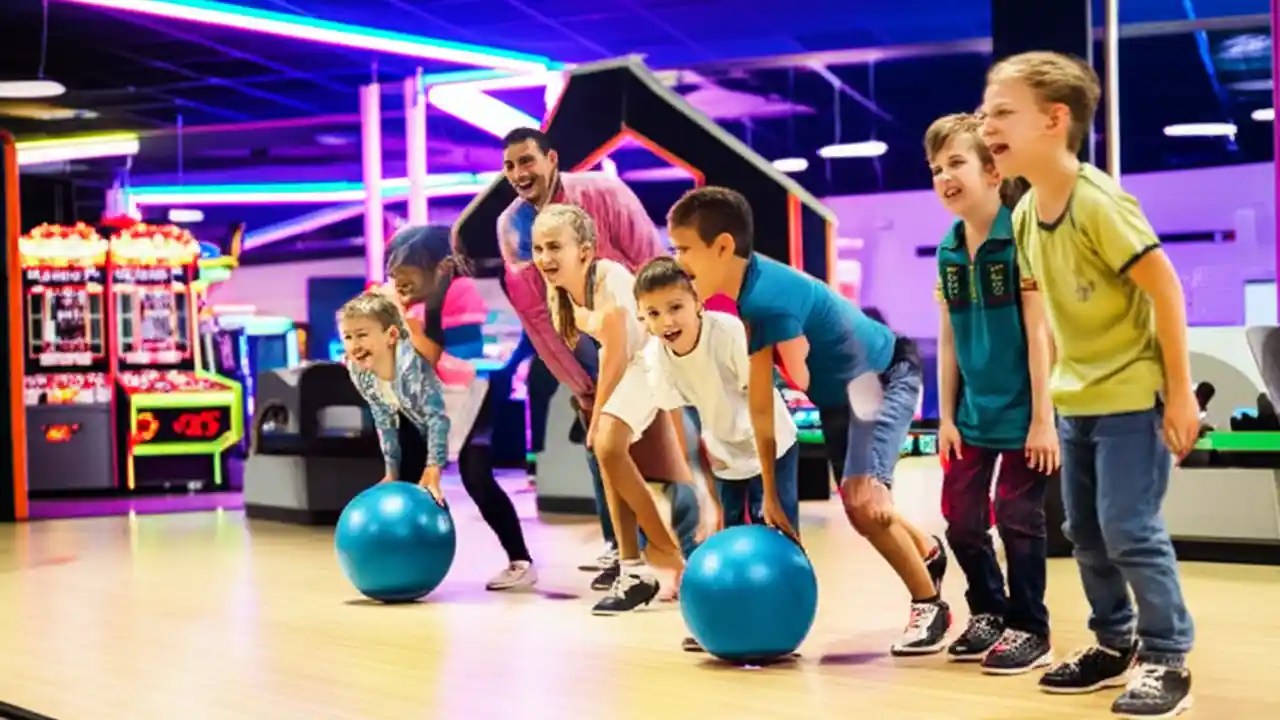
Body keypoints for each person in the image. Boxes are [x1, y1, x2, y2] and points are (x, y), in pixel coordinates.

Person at [980, 52, 1197, 717]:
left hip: (1133, 396)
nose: (987, 124)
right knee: (1084, 531)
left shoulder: (1099, 203)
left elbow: (1164, 287)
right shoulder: (1021, 216)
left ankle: (1167, 657)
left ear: (1054, 120)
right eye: (986, 112)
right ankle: (1114, 643)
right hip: (1077, 400)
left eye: (1002, 112)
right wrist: (1044, 402)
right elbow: (1047, 317)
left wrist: (1181, 391)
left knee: (1129, 528)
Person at [665, 186, 950, 656]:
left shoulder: (766, 302)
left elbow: (781, 387)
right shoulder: (748, 294)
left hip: (880, 378)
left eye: (684, 249)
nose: (679, 261)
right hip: (844, 396)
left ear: (722, 247)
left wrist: (774, 495)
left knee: (863, 501)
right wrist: (772, 497)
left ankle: (930, 605)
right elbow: (763, 407)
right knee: (863, 505)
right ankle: (927, 550)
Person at [495, 127, 700, 589]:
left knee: (665, 445)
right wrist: (581, 387)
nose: (518, 173)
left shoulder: (603, 205)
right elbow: (542, 323)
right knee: (604, 450)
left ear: (552, 158)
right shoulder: (516, 235)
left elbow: (652, 264)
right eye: (509, 166)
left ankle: (682, 551)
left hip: (644, 336)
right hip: (597, 343)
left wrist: (675, 339)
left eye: (526, 161)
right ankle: (627, 555)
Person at [531, 203, 718, 615]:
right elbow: (604, 351)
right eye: (538, 247)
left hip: (656, 363)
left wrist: (598, 416)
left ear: (584, 249)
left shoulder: (609, 277)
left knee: (613, 447)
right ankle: (634, 566)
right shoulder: (559, 290)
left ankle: (662, 555)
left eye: (554, 247)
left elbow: (617, 352)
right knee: (609, 453)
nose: (544, 257)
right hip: (637, 369)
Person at [926, 112, 1055, 674]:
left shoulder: (1023, 238)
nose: (944, 177)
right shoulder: (949, 250)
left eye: (956, 163)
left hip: (1028, 414)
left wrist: (1044, 420)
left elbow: (1039, 334)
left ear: (993, 171)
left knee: (1018, 515)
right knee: (959, 516)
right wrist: (945, 417)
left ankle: (1030, 626)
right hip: (972, 416)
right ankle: (989, 610)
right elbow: (949, 339)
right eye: (936, 168)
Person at [339, 289, 537, 592]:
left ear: (391, 335)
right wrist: (391, 470)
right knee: (404, 481)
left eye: (362, 335)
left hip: (471, 397)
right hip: (422, 412)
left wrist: (434, 468)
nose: (354, 345)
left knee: (476, 478)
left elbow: (437, 418)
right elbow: (384, 419)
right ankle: (401, 571)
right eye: (348, 337)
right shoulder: (359, 369)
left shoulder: (409, 366)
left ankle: (521, 562)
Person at [634, 256, 801, 532]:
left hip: (772, 444)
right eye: (653, 313)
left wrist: (769, 491)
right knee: (732, 532)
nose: (666, 321)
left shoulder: (729, 333)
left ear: (698, 302)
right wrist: (703, 489)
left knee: (780, 528)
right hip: (725, 454)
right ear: (643, 318)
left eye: (675, 307)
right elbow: (678, 419)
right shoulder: (655, 358)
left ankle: (796, 573)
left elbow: (760, 402)